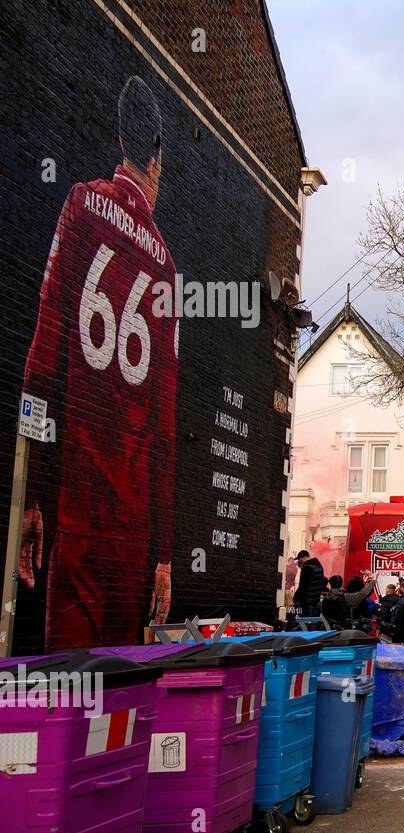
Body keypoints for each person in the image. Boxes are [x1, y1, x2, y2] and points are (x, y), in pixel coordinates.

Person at [20, 75, 179, 650]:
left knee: (67, 688)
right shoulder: (165, 266)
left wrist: (30, 493)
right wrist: (162, 554)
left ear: (120, 140)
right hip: (134, 532)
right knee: (122, 696)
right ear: (155, 157)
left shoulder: (83, 205)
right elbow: (165, 423)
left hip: (79, 508)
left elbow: (43, 355)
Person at [293, 551, 326, 616]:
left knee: (304, 621)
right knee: (311, 621)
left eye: (300, 560)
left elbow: (302, 586)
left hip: (306, 601)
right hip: (315, 600)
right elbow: (321, 583)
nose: (300, 562)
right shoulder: (319, 566)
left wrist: (295, 599)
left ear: (304, 557)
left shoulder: (307, 568)